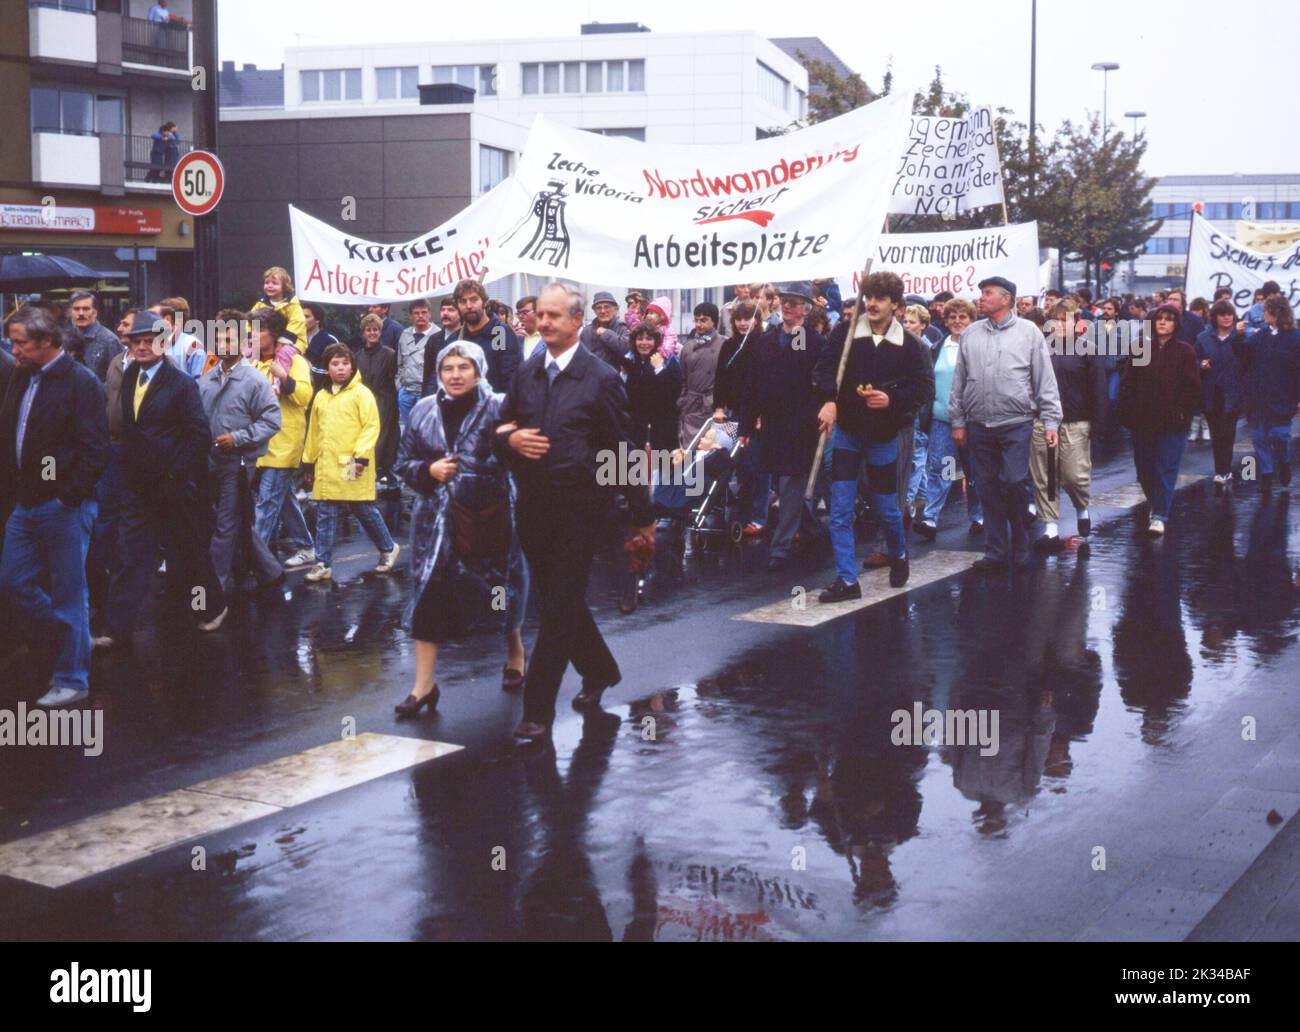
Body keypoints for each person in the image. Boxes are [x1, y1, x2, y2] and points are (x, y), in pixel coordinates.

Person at [495, 283, 654, 741]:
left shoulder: (601, 378)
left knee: (558, 609)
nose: (543, 322)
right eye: (540, 315)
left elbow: (621, 451)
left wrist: (642, 516)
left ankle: (537, 712)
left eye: (554, 316)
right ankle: (600, 669)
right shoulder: (526, 374)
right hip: (533, 509)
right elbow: (499, 429)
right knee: (559, 602)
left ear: (576, 321)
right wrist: (509, 440)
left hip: (583, 512)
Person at [392, 340, 530, 715]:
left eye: (463, 368)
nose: (455, 375)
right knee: (428, 594)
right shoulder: (422, 410)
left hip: (488, 516)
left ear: (478, 370)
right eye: (448, 369)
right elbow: (402, 461)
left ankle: (514, 650)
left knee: (501, 588)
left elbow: (520, 456)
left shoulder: (500, 408)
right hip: (433, 525)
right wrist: (428, 471)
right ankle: (423, 686)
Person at [93, 310, 227, 648]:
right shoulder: (129, 375)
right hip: (138, 485)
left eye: (148, 341)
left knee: (189, 552)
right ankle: (115, 629)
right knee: (130, 554)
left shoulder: (180, 383)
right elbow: (131, 430)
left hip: (175, 486)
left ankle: (209, 608)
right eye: (135, 341)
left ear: (163, 343)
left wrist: (175, 474)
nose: (141, 347)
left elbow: (198, 435)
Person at [0, 306, 109, 706]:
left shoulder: (81, 382)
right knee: (12, 583)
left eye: (22, 343)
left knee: (69, 594)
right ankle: (69, 639)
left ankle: (72, 678)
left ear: (47, 342)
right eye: (13, 342)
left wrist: (68, 496)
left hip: (63, 506)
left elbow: (96, 449)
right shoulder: (21, 375)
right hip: (25, 504)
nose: (15, 350)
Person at [814, 271, 933, 600]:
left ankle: (899, 553)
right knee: (840, 510)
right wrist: (828, 399)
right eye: (868, 296)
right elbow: (824, 368)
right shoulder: (846, 333)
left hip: (883, 435)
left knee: (886, 508)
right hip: (848, 433)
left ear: (896, 304)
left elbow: (923, 388)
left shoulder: (910, 345)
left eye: (880, 298)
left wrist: (892, 399)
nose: (872, 303)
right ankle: (847, 581)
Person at [949, 276, 1063, 572]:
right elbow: (958, 381)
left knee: (1013, 481)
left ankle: (1021, 539)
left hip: (1017, 422)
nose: (981, 298)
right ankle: (996, 551)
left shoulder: (1029, 333)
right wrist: (958, 420)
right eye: (981, 293)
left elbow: (1044, 380)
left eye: (987, 293)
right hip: (978, 424)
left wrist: (1051, 421)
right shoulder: (971, 334)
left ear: (1006, 299)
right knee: (986, 487)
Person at [737, 282, 827, 572]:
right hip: (771, 424)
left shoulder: (811, 340)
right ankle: (811, 529)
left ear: (806, 309)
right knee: (778, 479)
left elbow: (820, 382)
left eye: (794, 302)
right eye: (783, 300)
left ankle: (781, 547)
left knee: (790, 481)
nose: (786, 306)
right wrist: (746, 425)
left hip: (801, 425)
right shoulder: (766, 338)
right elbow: (751, 384)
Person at [197, 311, 283, 596]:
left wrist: (238, 438)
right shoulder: (206, 379)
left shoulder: (255, 380)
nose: (223, 342)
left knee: (225, 525)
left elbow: (272, 421)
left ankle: (214, 592)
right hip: (208, 463)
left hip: (238, 464)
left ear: (242, 341)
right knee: (234, 520)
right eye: (218, 336)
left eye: (229, 337)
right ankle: (270, 571)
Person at [302, 343, 400, 582]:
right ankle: (322, 563)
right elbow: (314, 432)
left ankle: (388, 547)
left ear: (352, 366)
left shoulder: (361, 393)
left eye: (345, 363)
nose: (341, 368)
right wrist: (309, 462)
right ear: (326, 368)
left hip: (351, 461)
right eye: (335, 364)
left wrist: (361, 457)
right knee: (326, 513)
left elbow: (371, 426)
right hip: (326, 464)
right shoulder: (322, 396)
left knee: (362, 508)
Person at [1117, 303, 1201, 535]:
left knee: (1167, 467)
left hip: (1173, 422)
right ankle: (1156, 502)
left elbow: (1192, 387)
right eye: (1159, 318)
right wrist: (1128, 410)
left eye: (1169, 318)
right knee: (1144, 468)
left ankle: (1160, 514)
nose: (1163, 322)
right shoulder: (1141, 348)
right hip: (1143, 421)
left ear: (1176, 324)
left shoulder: (1185, 351)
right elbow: (1128, 382)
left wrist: (1183, 411)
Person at [1031, 302, 1108, 553]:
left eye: (1067, 319)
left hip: (1076, 421)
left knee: (1074, 476)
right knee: (1046, 476)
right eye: (1057, 319)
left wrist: (1098, 423)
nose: (1061, 324)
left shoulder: (1089, 350)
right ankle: (1050, 526)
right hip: (1042, 421)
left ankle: (1081, 507)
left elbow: (1098, 389)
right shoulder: (1039, 349)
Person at [251, 308, 316, 568]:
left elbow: (304, 397)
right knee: (284, 498)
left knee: (267, 502)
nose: (253, 336)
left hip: (285, 441)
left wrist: (284, 378)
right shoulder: (255, 361)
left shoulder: (296, 361)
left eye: (259, 330)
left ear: (274, 334)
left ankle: (256, 558)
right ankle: (306, 545)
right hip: (261, 442)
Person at [916, 298, 983, 538]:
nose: (957, 321)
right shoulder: (937, 347)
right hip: (942, 419)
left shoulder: (980, 347)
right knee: (941, 468)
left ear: (972, 320)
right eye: (952, 317)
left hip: (973, 421)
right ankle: (931, 518)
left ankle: (978, 516)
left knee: (973, 471)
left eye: (962, 317)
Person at [1236, 296, 1300, 493]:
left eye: (1266, 311)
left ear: (1275, 313)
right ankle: (1266, 474)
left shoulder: (1295, 337)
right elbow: (1244, 356)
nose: (1262, 314)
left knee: (1279, 435)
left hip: (1283, 395)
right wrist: (1238, 336)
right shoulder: (1261, 334)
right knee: (1259, 436)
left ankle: (1284, 462)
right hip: (1258, 395)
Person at [1194, 300, 1246, 493]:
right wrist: (1201, 364)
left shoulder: (1240, 336)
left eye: (1229, 314)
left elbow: (1247, 359)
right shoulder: (1203, 337)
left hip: (1233, 392)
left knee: (1228, 431)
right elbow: (1194, 359)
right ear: (1215, 317)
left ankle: (1224, 470)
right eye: (1222, 314)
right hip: (1211, 392)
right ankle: (1220, 470)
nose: (1226, 317)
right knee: (1217, 433)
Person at [449, 279, 520, 392]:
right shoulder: (455, 339)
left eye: (474, 300)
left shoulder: (499, 333)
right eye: (463, 301)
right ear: (457, 306)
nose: (468, 306)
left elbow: (509, 377)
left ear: (484, 302)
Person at [351, 312, 399, 481]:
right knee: (359, 439)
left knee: (381, 441)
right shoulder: (357, 356)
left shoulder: (390, 354)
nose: (372, 333)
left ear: (380, 332)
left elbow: (393, 380)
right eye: (368, 330)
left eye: (375, 330)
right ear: (363, 332)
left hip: (383, 402)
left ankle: (376, 479)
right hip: (361, 403)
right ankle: (355, 478)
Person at [900, 303, 935, 522]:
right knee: (916, 456)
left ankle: (908, 502)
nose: (907, 325)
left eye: (912, 322)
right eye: (905, 321)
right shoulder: (902, 345)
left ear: (923, 325)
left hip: (920, 410)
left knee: (916, 456)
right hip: (909, 408)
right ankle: (922, 496)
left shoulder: (927, 348)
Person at [624, 323, 682, 452]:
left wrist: (659, 370)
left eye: (649, 339)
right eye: (640, 339)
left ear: (656, 341)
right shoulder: (632, 361)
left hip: (663, 427)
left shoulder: (668, 360)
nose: (644, 343)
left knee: (664, 467)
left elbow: (673, 393)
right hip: (637, 427)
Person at [677, 302, 725, 446]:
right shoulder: (688, 346)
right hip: (690, 406)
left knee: (709, 450)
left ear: (714, 321)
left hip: (712, 406)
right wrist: (682, 401)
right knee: (688, 450)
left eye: (704, 320)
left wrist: (718, 405)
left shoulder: (724, 344)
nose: (699, 324)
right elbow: (683, 379)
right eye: (696, 320)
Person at [395, 298, 433, 429]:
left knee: (426, 431)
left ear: (429, 314)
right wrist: (399, 388)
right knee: (409, 431)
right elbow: (399, 364)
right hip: (406, 393)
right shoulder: (404, 335)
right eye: (416, 313)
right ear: (411, 316)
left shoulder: (438, 334)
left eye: (424, 312)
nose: (420, 316)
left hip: (426, 393)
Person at [250, 267, 308, 353]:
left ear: (284, 287)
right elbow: (249, 320)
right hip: (269, 340)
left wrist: (284, 340)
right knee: (247, 351)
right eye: (267, 283)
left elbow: (297, 321)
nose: (270, 285)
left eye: (274, 283)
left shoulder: (292, 304)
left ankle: (280, 366)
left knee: (284, 353)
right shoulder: (261, 304)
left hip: (293, 340)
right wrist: (248, 335)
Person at [68, 291, 122, 382]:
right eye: (76, 309)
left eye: (86, 309)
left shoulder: (109, 341)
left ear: (95, 313)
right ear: (71, 312)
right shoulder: (66, 338)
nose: (81, 313)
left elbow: (115, 382)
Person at [421, 295, 463, 396]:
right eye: (443, 310)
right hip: (434, 394)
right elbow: (427, 373)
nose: (445, 313)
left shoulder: (466, 338)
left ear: (460, 313)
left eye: (450, 310)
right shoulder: (433, 339)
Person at [579, 291, 631, 368]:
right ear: (594, 311)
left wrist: (606, 334)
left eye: (607, 307)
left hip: (613, 378)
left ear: (615, 309)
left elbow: (627, 350)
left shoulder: (623, 329)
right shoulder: (586, 331)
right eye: (598, 308)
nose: (602, 311)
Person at [153, 300, 204, 377]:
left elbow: (199, 384)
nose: (148, 320)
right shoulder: (149, 344)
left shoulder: (192, 345)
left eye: (153, 316)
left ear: (167, 319)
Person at [302, 301, 337, 391]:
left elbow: (333, 369)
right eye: (300, 316)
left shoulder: (330, 341)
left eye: (306, 316)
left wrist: (308, 366)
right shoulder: (292, 339)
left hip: (321, 392)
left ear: (317, 320)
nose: (302, 319)